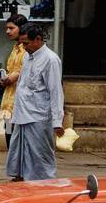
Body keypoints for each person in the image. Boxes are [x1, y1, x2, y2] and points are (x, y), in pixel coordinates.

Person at [6, 24, 65, 183]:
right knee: (19, 154)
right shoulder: (27, 56)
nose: (24, 48)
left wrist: (57, 121)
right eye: (22, 43)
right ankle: (22, 181)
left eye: (26, 43)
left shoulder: (51, 60)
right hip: (22, 112)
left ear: (38, 39)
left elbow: (55, 91)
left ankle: (45, 187)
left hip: (39, 115)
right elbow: (24, 84)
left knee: (41, 156)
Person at [0, 14, 29, 151]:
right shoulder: (15, 48)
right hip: (8, 104)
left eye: (11, 28)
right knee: (9, 138)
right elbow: (11, 70)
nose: (7, 31)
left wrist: (14, 77)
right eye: (7, 28)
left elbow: (28, 69)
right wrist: (5, 79)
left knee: (19, 143)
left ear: (21, 28)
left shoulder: (28, 49)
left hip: (20, 105)